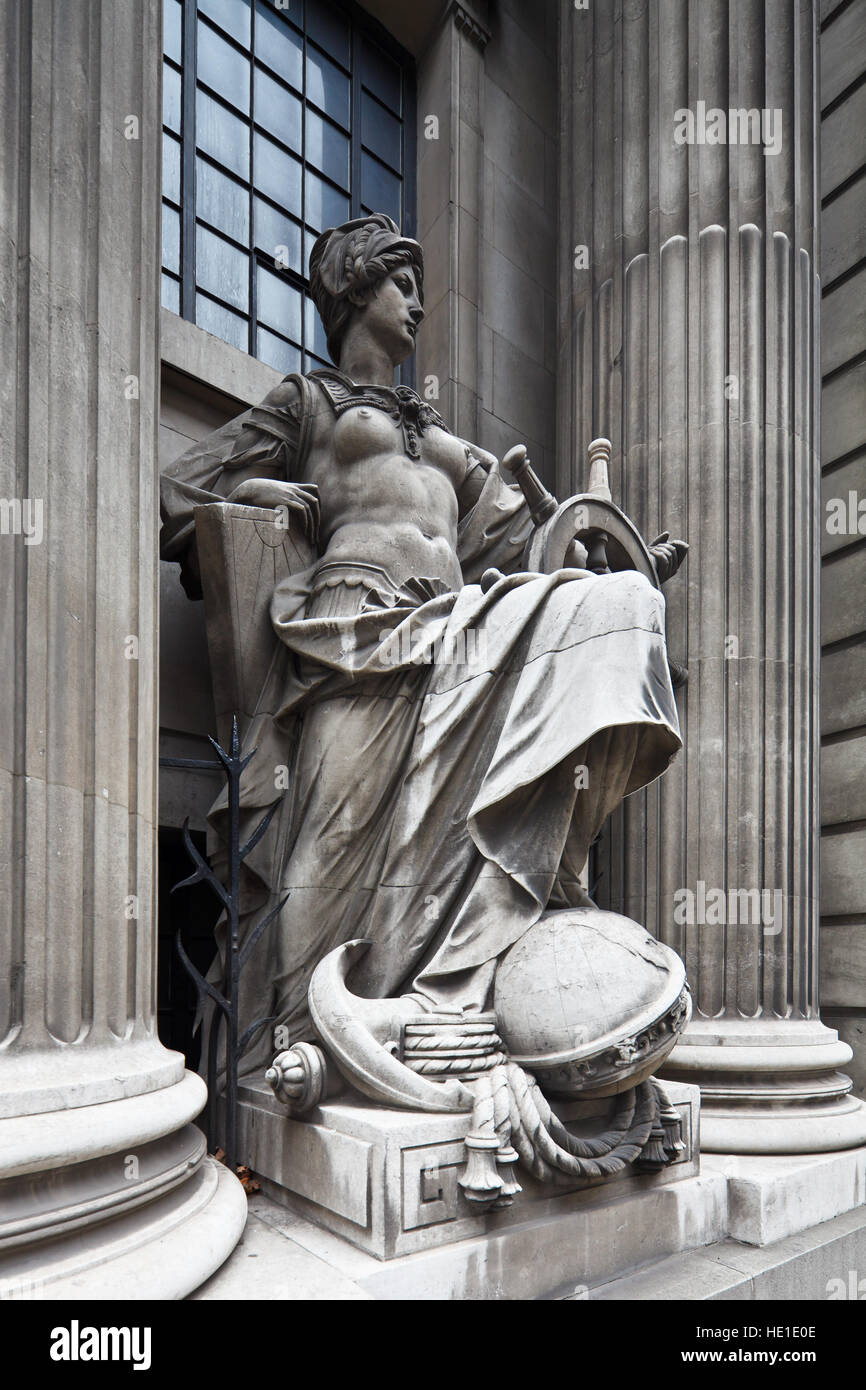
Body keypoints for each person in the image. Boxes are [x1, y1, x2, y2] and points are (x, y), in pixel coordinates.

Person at [160, 214, 682, 1079]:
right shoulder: (309, 403)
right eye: (404, 287)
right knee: (327, 853)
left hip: (456, 637)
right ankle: (287, 1051)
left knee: (616, 609)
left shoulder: (445, 437)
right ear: (357, 287)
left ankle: (454, 977)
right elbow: (183, 492)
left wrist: (612, 562)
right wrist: (255, 486)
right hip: (351, 631)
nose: (417, 307)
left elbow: (544, 545)